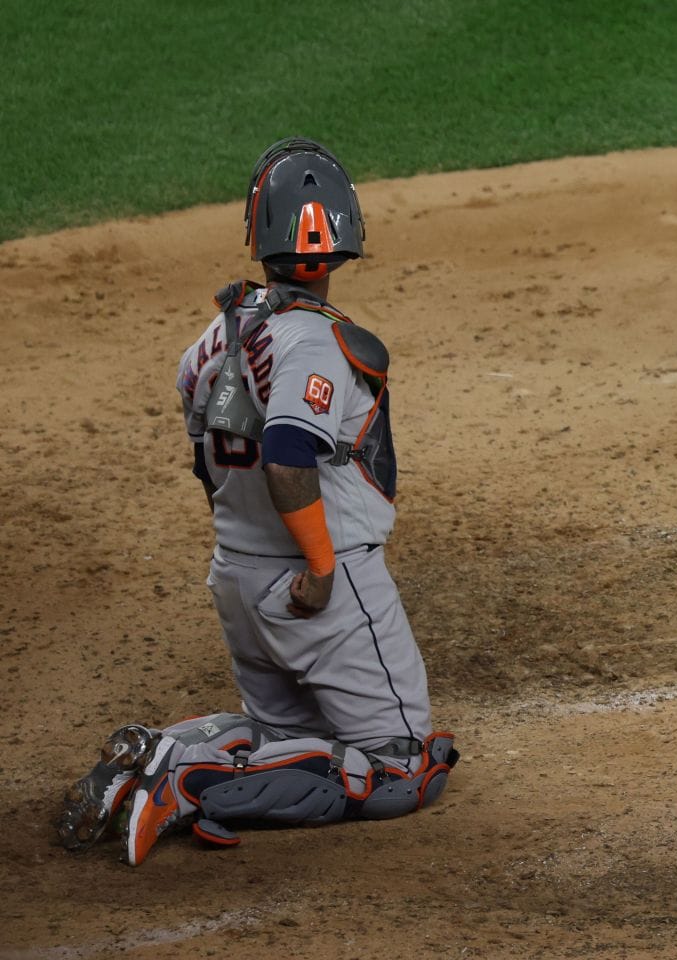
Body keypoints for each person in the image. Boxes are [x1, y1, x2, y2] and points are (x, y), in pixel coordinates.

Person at [54, 138, 455, 866]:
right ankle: (190, 780)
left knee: (292, 740)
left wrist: (250, 548)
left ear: (259, 233)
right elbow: (289, 451)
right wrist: (320, 566)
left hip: (238, 578)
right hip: (317, 588)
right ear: (343, 233)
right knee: (401, 766)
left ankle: (158, 754)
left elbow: (205, 464)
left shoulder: (209, 344)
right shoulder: (315, 342)